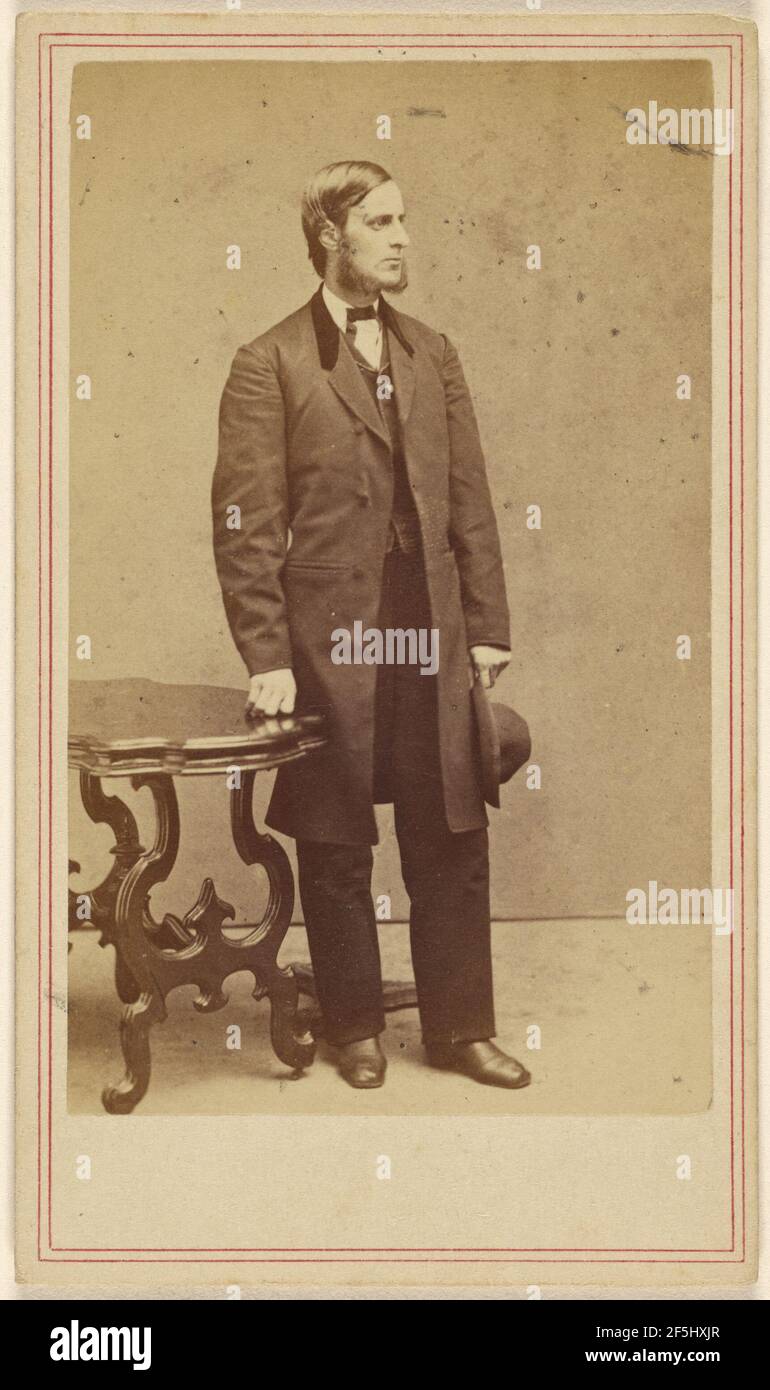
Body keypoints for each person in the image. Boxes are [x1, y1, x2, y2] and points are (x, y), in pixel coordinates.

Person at [212, 160, 531, 1091]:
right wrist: (267, 655)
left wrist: (487, 628)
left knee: (451, 826)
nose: (402, 239)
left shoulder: (435, 352)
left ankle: (460, 1030)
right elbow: (244, 527)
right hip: (330, 638)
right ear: (330, 237)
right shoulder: (267, 362)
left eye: (405, 220)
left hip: (428, 628)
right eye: (381, 223)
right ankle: (352, 1026)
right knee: (338, 831)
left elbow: (470, 498)